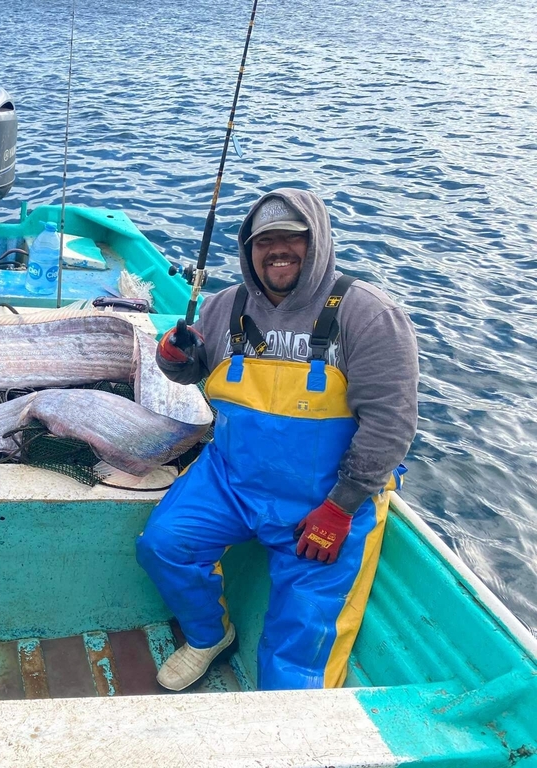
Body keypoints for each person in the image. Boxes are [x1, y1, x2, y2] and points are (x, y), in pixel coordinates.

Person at [137, 188, 418, 691]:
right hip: (231, 479)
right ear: (249, 250)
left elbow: (391, 424)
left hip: (324, 500)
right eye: (265, 241)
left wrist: (341, 506)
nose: (278, 250)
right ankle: (209, 636)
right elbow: (192, 372)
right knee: (163, 545)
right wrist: (172, 359)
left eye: (293, 238)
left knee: (296, 660)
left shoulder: (368, 315)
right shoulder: (225, 306)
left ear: (319, 243)